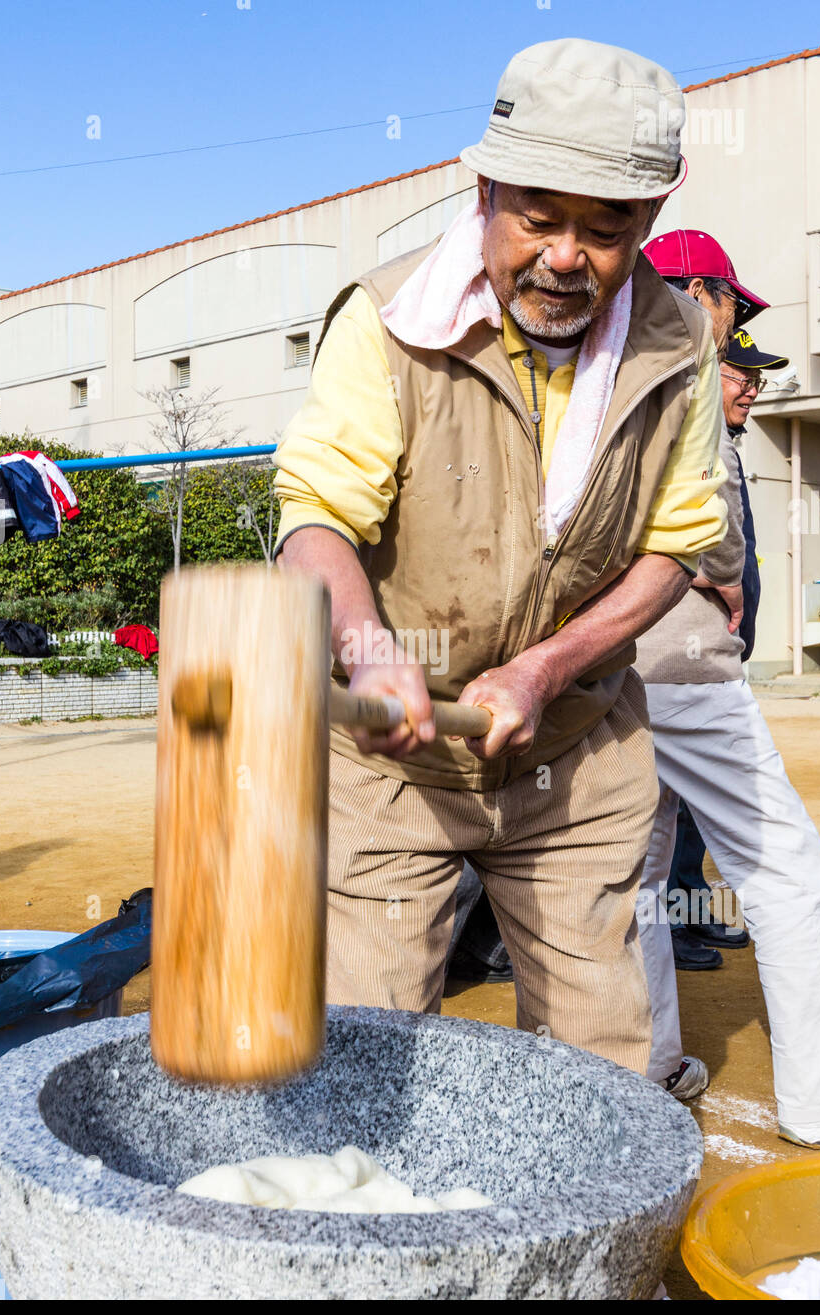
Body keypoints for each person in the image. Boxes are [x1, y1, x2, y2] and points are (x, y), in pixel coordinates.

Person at [273, 39, 728, 1077]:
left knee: (604, 1071)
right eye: (536, 215)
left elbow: (673, 542)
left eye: (602, 228)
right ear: (484, 191)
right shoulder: (386, 322)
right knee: (360, 1061)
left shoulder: (677, 346)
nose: (565, 257)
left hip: (574, 747)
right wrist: (366, 650)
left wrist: (544, 668)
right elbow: (314, 519)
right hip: (395, 762)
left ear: (647, 220)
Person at [635, 234, 820, 1145]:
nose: (735, 326)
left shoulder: (600, 366)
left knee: (634, 878)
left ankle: (651, 1068)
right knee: (786, 873)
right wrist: (725, 577)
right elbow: (703, 524)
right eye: (731, 303)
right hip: (680, 662)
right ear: (696, 291)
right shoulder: (682, 363)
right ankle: (819, 1105)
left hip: (606, 668)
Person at [665, 325, 786, 970]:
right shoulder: (695, 431)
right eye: (743, 379)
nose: (752, 393)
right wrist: (721, 574)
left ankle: (686, 902)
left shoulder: (726, 441)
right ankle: (675, 920)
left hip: (714, 656)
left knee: (680, 813)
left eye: (756, 382)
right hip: (683, 664)